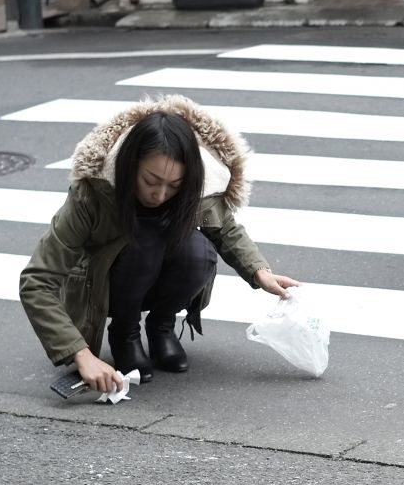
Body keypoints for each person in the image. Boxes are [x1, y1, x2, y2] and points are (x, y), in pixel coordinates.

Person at [19, 95, 299, 395]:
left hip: (155, 276)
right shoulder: (93, 192)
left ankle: (161, 326)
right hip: (106, 287)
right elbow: (36, 281)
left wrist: (260, 272)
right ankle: (124, 332)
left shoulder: (200, 186)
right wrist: (81, 354)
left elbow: (225, 228)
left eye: (174, 186)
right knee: (141, 244)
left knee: (199, 251)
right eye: (150, 181)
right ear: (130, 164)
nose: (161, 194)